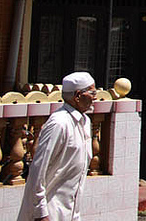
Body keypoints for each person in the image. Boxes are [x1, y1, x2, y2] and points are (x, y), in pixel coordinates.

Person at [18, 71, 96, 221]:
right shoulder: (59, 123)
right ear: (78, 96)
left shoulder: (85, 122)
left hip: (69, 211)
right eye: (92, 93)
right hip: (49, 210)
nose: (95, 97)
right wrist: (41, 213)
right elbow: (37, 171)